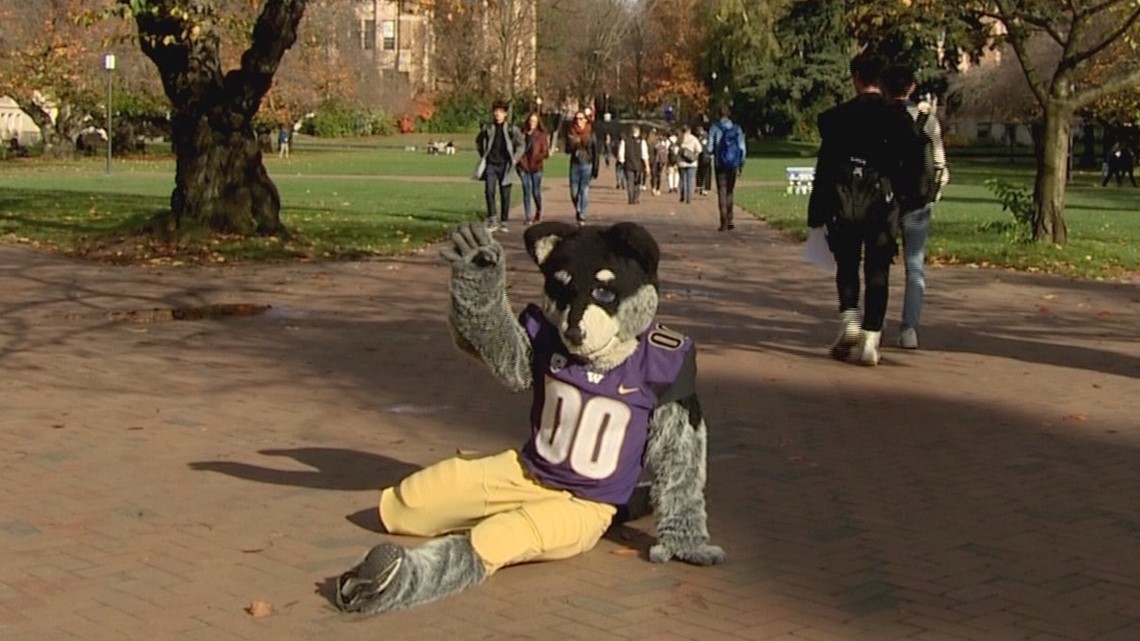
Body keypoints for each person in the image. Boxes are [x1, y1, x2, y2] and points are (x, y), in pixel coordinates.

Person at [807, 52, 923, 366]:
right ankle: (871, 336)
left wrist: (817, 211)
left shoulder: (836, 119)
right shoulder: (898, 118)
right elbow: (914, 164)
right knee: (877, 269)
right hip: (882, 202)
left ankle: (850, 317)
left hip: (843, 200)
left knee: (847, 264)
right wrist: (907, 200)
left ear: (856, 79)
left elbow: (825, 167)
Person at [883, 64, 950, 350]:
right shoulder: (926, 120)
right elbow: (940, 165)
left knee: (878, 263)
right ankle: (909, 329)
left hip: (884, 201)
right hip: (917, 200)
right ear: (911, 87)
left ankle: (873, 323)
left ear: (885, 87)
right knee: (915, 265)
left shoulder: (878, 118)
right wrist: (932, 194)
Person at [475, 99, 525, 233]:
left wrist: (515, 158)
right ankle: (492, 219)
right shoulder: (488, 128)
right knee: (489, 191)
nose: (498, 114)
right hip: (491, 164)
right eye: (496, 111)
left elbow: (521, 144)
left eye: (501, 112)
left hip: (505, 165)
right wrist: (483, 155)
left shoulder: (512, 129)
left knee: (505, 194)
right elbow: (478, 141)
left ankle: (504, 221)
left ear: (505, 114)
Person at [708, 104, 747, 231]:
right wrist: (741, 163)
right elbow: (742, 148)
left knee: (722, 191)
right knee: (730, 191)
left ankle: (723, 220)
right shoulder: (737, 128)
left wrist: (712, 153)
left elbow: (709, 147)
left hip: (720, 163)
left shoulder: (714, 127)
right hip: (733, 163)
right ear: (729, 114)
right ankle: (730, 219)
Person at [564, 111, 600, 225]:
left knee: (584, 190)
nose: (578, 121)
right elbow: (567, 150)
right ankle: (578, 209)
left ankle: (582, 214)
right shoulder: (571, 132)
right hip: (575, 164)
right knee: (574, 191)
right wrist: (573, 143)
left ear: (585, 120)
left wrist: (595, 169)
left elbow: (596, 152)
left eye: (581, 118)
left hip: (587, 164)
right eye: (576, 119)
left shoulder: (591, 134)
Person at [517, 112, 550, 225]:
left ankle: (538, 210)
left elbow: (545, 152)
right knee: (526, 191)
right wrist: (519, 161)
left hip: (536, 167)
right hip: (524, 167)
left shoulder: (541, 135)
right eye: (531, 121)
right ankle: (528, 216)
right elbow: (517, 148)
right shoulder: (522, 134)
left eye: (534, 121)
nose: (532, 123)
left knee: (536, 191)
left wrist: (538, 158)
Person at [618, 125, 650, 205]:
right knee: (638, 182)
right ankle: (636, 198)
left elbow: (621, 153)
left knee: (630, 182)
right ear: (638, 132)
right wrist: (647, 166)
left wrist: (622, 162)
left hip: (628, 164)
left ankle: (631, 198)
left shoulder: (625, 141)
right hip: (639, 165)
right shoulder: (642, 141)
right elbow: (645, 155)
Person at [676, 126, 702, 204]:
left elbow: (675, 150)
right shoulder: (694, 139)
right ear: (689, 131)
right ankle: (689, 197)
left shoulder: (679, 139)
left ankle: (683, 196)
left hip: (681, 162)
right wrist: (695, 155)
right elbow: (699, 149)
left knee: (683, 179)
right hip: (692, 163)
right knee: (690, 180)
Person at [695, 127, 713, 196]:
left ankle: (705, 188)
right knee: (701, 172)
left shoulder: (705, 137)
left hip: (705, 156)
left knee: (705, 173)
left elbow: (703, 146)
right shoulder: (701, 137)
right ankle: (701, 187)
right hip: (703, 156)